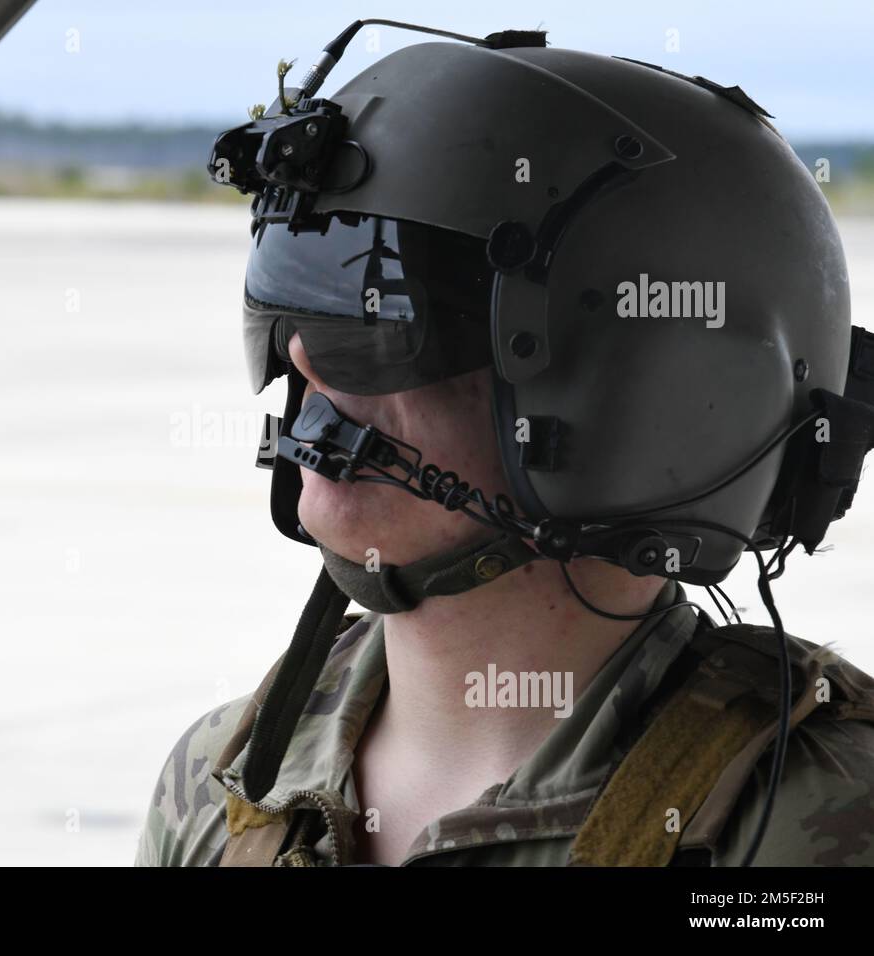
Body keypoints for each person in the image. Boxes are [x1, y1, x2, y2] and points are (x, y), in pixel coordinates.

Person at [135, 23, 874, 867]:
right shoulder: (222, 784)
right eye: (294, 295)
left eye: (379, 310)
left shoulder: (815, 823)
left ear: (644, 394)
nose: (302, 356)